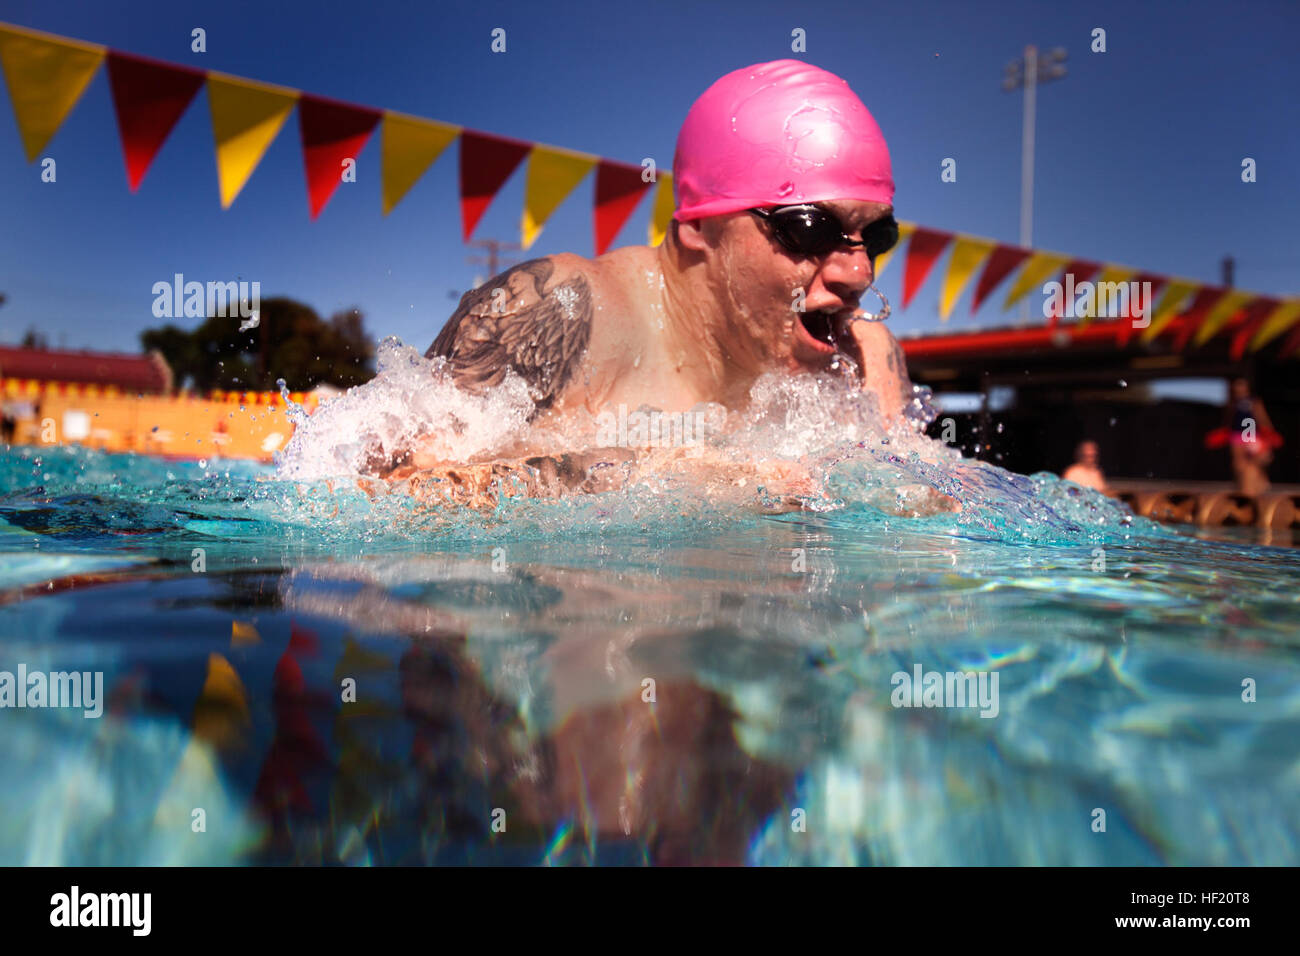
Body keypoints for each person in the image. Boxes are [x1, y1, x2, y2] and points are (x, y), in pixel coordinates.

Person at [384, 61, 927, 508]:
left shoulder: (862, 359)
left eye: (876, 236)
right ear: (697, 227)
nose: (859, 273)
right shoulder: (561, 307)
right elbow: (391, 495)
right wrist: (674, 476)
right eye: (809, 228)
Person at [1205, 378, 1281, 495]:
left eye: (1241, 386)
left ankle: (1259, 482)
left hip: (1250, 434)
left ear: (1247, 388)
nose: (1239, 389)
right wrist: (1222, 432)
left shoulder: (1254, 401)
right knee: (1238, 462)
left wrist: (1270, 433)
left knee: (1254, 461)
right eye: (1237, 386)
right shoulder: (1232, 402)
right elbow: (1228, 419)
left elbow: (1262, 417)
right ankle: (1243, 485)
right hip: (1236, 434)